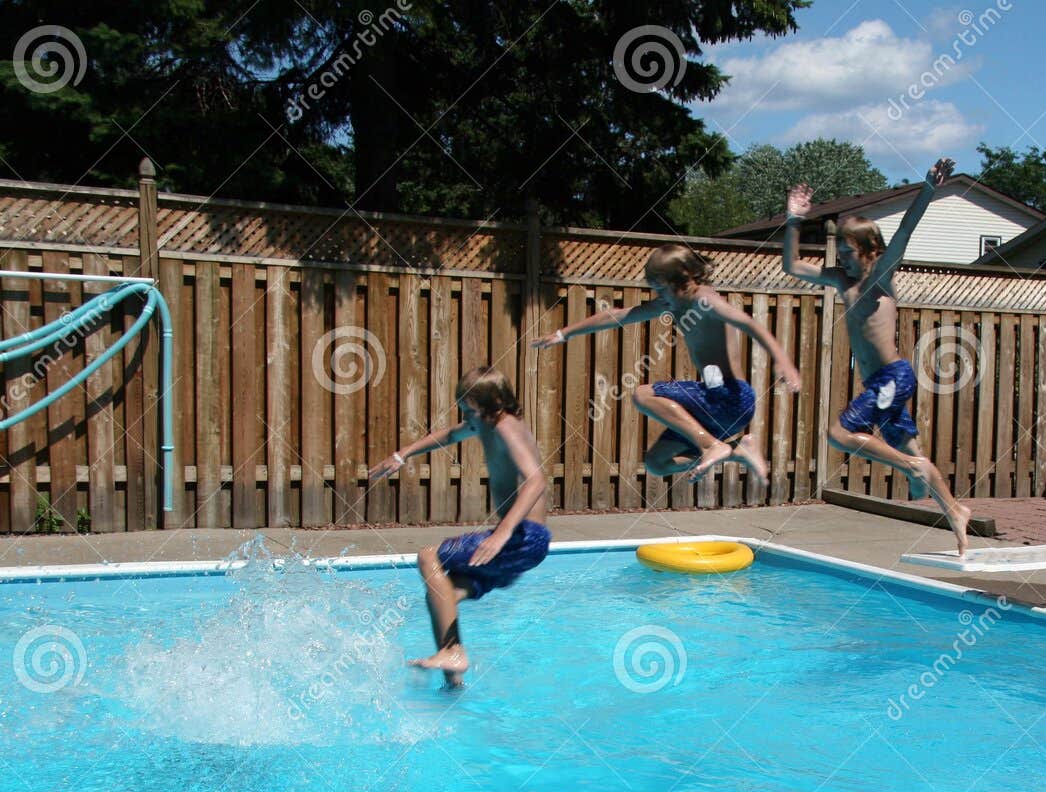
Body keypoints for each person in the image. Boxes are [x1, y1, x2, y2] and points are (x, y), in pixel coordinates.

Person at [781, 157, 972, 555]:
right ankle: (955, 511)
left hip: (893, 377)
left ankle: (912, 470)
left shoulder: (880, 276)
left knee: (839, 434)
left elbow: (904, 230)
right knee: (915, 452)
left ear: (870, 250)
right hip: (879, 383)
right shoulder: (840, 280)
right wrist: (794, 220)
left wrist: (928, 190)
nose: (841, 259)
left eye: (848, 252)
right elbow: (791, 264)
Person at [532, 244, 800, 485]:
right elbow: (618, 315)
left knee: (642, 394)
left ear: (682, 278)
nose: (658, 295)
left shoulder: (704, 299)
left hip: (730, 398)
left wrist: (784, 362)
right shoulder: (676, 303)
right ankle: (735, 451)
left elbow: (748, 323)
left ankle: (710, 446)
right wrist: (562, 334)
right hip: (716, 409)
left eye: (660, 289)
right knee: (656, 464)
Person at [369, 367, 548, 688]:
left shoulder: (507, 427)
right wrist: (402, 454)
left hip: (524, 537)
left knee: (428, 557)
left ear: (493, 402)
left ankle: (453, 652)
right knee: (441, 593)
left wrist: (503, 532)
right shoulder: (488, 422)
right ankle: (453, 680)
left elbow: (536, 480)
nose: (466, 418)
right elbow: (449, 435)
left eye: (469, 410)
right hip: (526, 544)